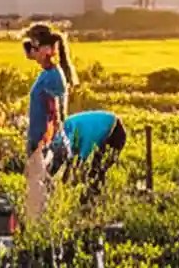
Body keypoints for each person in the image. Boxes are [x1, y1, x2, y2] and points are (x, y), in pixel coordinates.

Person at [22, 23, 76, 223]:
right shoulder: (48, 73)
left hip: (45, 143)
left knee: (39, 196)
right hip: (43, 142)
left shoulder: (53, 77)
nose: (32, 52)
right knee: (40, 192)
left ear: (47, 50)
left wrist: (40, 147)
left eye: (36, 47)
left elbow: (54, 115)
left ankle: (39, 233)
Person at [54, 110, 126, 200]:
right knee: (91, 168)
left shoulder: (81, 133)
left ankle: (95, 197)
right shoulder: (68, 131)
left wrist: (77, 168)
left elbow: (83, 153)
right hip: (102, 132)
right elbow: (70, 155)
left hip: (115, 131)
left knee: (98, 169)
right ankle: (88, 194)